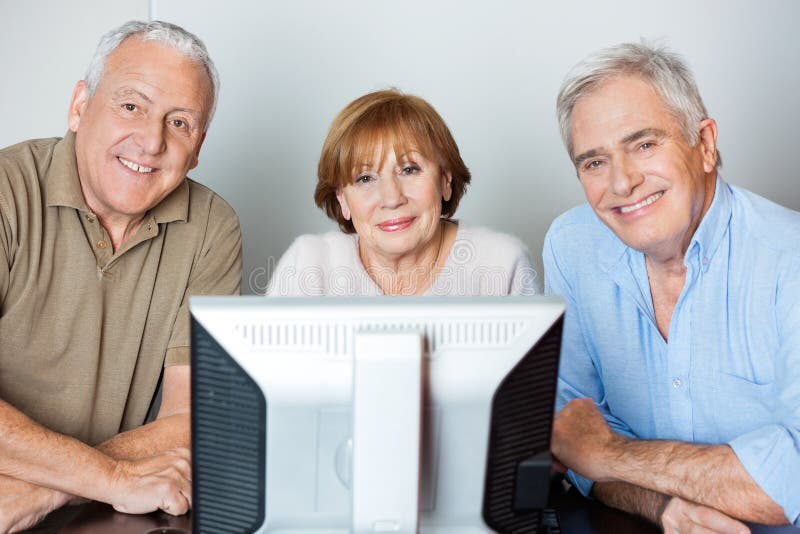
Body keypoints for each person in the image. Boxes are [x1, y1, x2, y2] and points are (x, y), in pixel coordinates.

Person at [544, 41, 798, 532]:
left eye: (643, 144)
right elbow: (570, 432)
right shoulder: (571, 247)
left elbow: (793, 482)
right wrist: (662, 507)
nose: (622, 183)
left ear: (704, 144)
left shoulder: (790, 259)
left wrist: (609, 453)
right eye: (594, 162)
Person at [0, 20, 242, 531]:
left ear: (197, 149)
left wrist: (53, 488)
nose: (151, 140)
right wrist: (109, 477)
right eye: (131, 106)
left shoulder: (212, 229)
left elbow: (187, 424)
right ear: (79, 106)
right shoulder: (5, 191)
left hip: (84, 513)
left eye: (180, 123)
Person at [268, 89, 536, 297]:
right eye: (364, 178)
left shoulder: (501, 264)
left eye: (409, 170)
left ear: (445, 180)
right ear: (342, 200)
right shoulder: (308, 264)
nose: (392, 198)